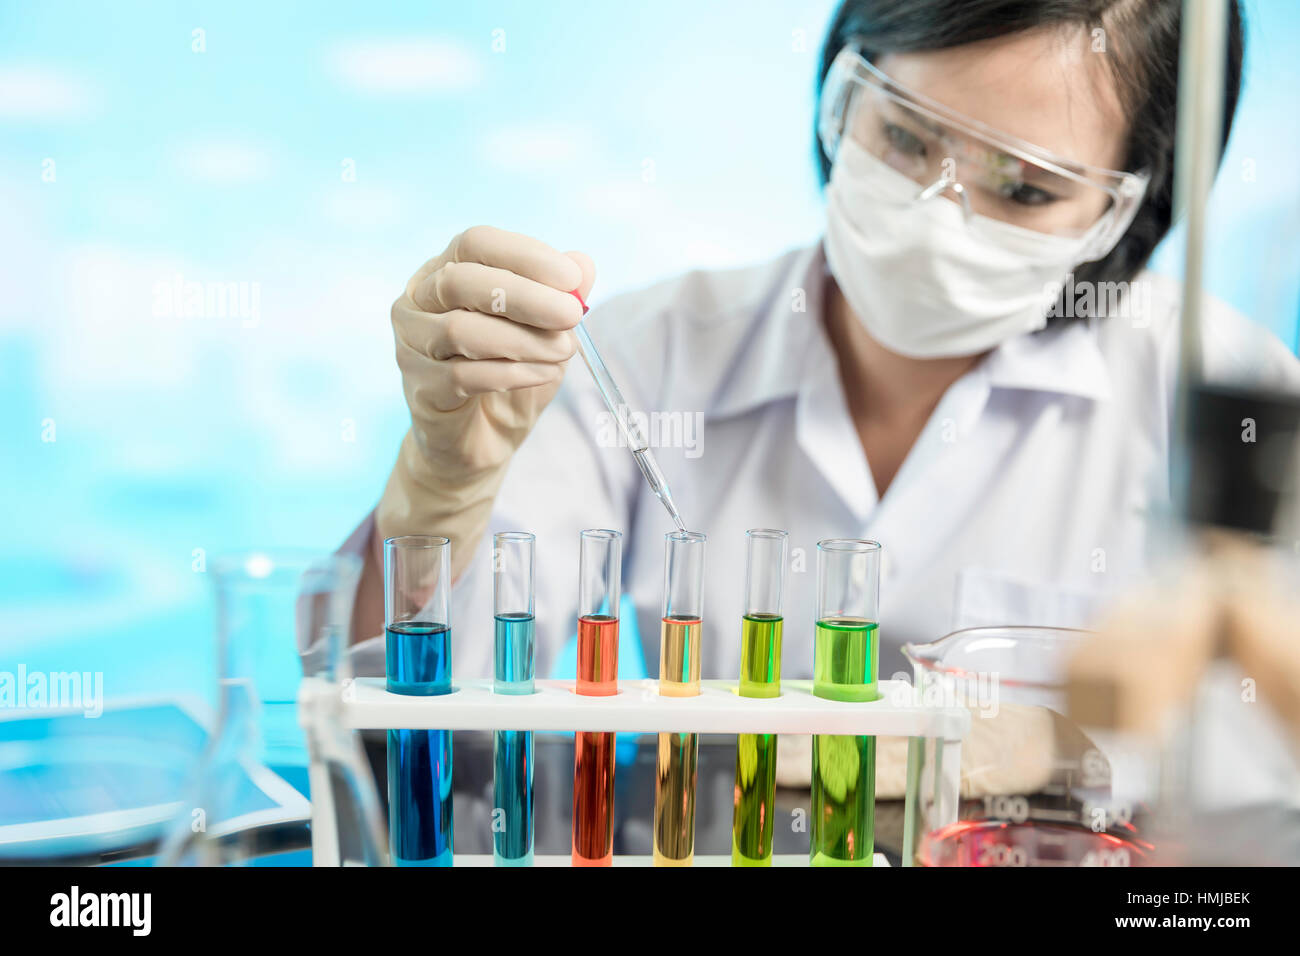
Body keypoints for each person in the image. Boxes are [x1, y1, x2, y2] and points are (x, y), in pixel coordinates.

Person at [341, 0, 1298, 692]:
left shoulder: (1226, 400)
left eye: (1026, 187)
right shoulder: (643, 357)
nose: (936, 213)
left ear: (1125, 213)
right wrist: (440, 488)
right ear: (842, 93)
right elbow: (427, 741)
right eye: (908, 137)